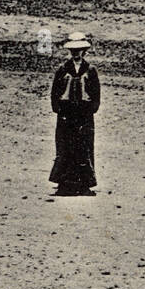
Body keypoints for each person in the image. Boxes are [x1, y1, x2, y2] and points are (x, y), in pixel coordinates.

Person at [49, 32, 101, 196]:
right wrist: (58, 108)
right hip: (66, 112)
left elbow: (95, 92)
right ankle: (64, 184)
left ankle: (84, 184)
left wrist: (91, 109)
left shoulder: (91, 70)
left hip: (84, 113)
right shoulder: (63, 69)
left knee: (83, 146)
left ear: (84, 50)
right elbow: (55, 91)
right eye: (73, 50)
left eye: (79, 49)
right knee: (66, 146)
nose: (76, 52)